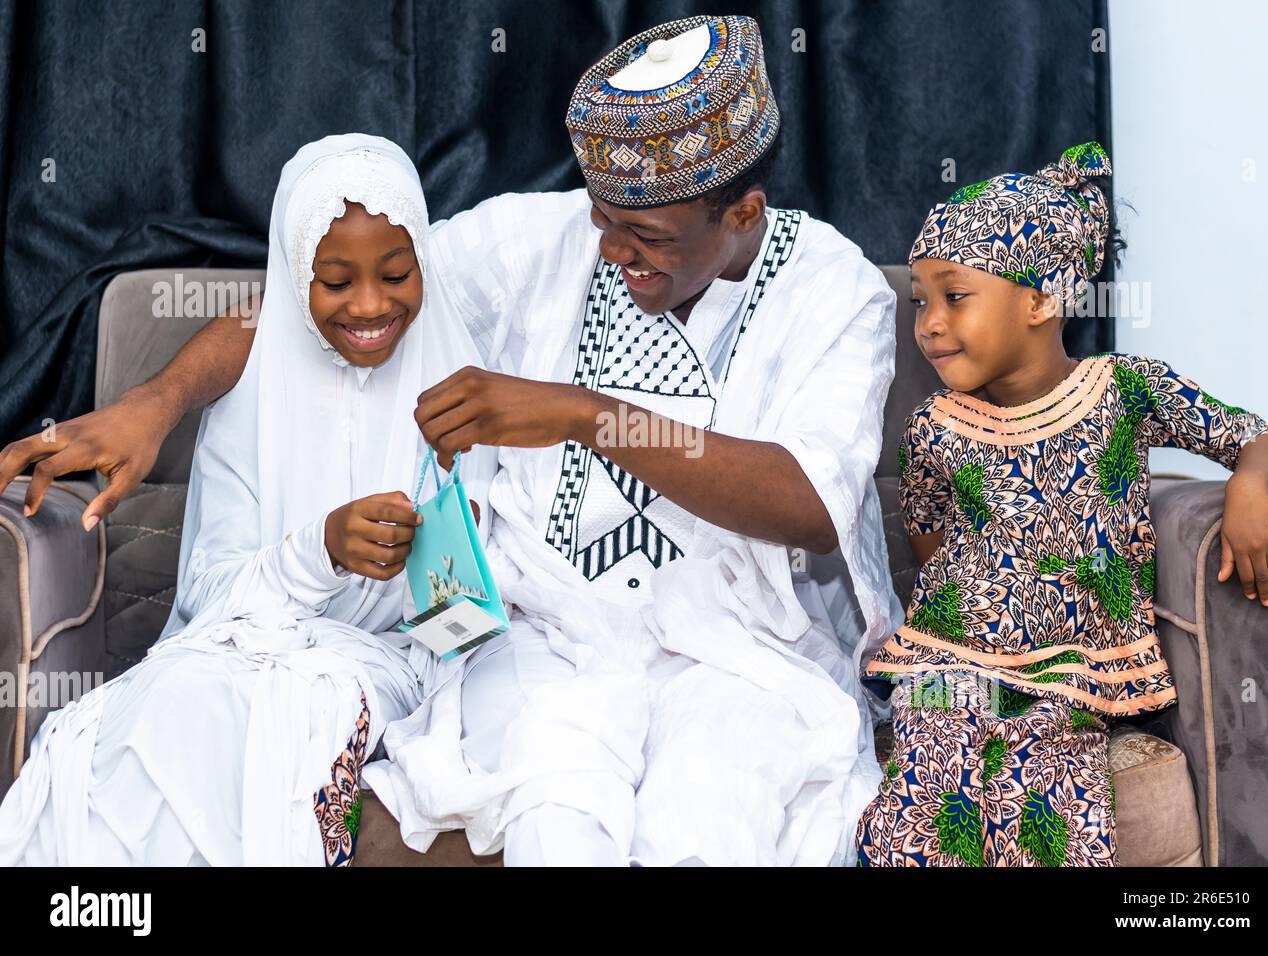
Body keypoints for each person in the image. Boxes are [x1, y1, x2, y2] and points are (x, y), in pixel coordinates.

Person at [0, 16, 901, 865]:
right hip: (553, 633)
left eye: (649, 237)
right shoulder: (534, 242)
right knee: (556, 808)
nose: (615, 253)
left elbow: (810, 506)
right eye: (603, 221)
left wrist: (582, 414)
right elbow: (314, 305)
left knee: (710, 815)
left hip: (742, 654)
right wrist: (153, 404)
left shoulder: (834, 292)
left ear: (742, 215)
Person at [0, 134, 495, 866]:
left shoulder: (461, 387)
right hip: (232, 651)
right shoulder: (251, 397)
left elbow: (461, 631)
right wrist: (319, 550)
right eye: (334, 281)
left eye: (396, 274)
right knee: (154, 725)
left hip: (377, 669)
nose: (369, 304)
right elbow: (210, 593)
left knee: (289, 724)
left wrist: (453, 555)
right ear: (296, 278)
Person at [857, 141, 1268, 866]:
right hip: (948, 660)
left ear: (1041, 299)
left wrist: (1249, 487)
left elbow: (1261, 437)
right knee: (926, 797)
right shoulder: (933, 426)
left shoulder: (1125, 391)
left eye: (954, 296)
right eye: (920, 303)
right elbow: (929, 538)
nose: (929, 323)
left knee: (1045, 802)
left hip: (1070, 670)